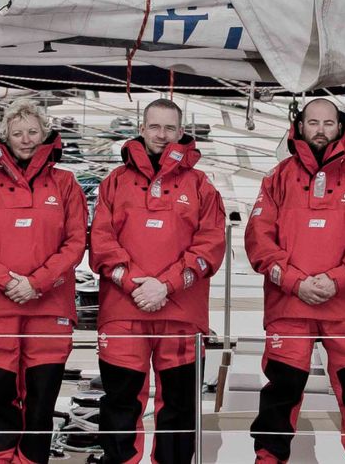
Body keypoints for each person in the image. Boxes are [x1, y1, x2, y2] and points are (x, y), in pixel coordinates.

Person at [246, 98, 345, 464]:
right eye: (313, 122)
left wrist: (338, 279)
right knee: (280, 394)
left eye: (328, 123)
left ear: (340, 127)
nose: (321, 130)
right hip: (290, 306)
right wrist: (296, 282)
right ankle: (267, 460)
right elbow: (258, 239)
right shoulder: (277, 177)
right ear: (300, 126)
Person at [88, 98, 227, 464]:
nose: (161, 135)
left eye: (169, 128)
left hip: (181, 314)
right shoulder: (114, 183)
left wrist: (166, 285)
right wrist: (137, 284)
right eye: (154, 127)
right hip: (123, 312)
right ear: (141, 128)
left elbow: (211, 245)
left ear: (181, 132)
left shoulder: (201, 186)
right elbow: (101, 243)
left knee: (179, 409)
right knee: (119, 404)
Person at [0, 99, 87, 464]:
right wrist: (5, 281)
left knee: (42, 397)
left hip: (50, 307)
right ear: (5, 137)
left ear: (45, 134)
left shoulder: (66, 184)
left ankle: (31, 461)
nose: (26, 140)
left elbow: (76, 242)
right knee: (0, 390)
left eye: (33, 131)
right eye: (17, 133)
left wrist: (37, 283)